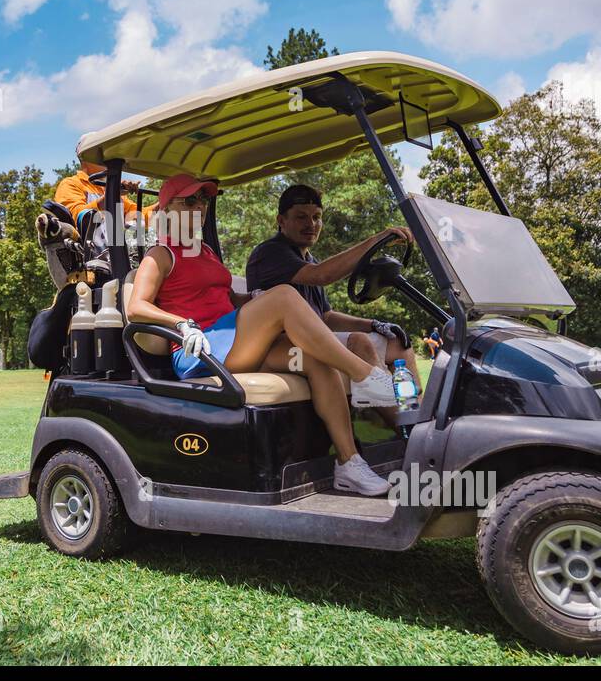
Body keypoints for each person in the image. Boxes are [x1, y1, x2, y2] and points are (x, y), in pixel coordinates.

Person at [125, 173, 396, 497]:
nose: (200, 207)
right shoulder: (161, 254)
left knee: (314, 360)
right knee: (283, 295)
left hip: (230, 339)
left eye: (203, 201)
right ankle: (366, 375)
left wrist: (250, 299)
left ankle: (348, 463)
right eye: (190, 201)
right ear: (167, 209)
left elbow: (223, 300)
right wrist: (182, 324)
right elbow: (136, 308)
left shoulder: (206, 252)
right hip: (201, 349)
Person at [245, 184, 423, 414]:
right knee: (359, 342)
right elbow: (322, 276)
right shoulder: (270, 253)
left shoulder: (309, 258)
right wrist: (375, 240)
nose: (311, 224)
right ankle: (404, 428)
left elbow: (326, 316)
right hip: (284, 346)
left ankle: (415, 412)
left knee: (400, 343)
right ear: (281, 220)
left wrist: (374, 325)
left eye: (317, 217)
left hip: (314, 339)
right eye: (301, 217)